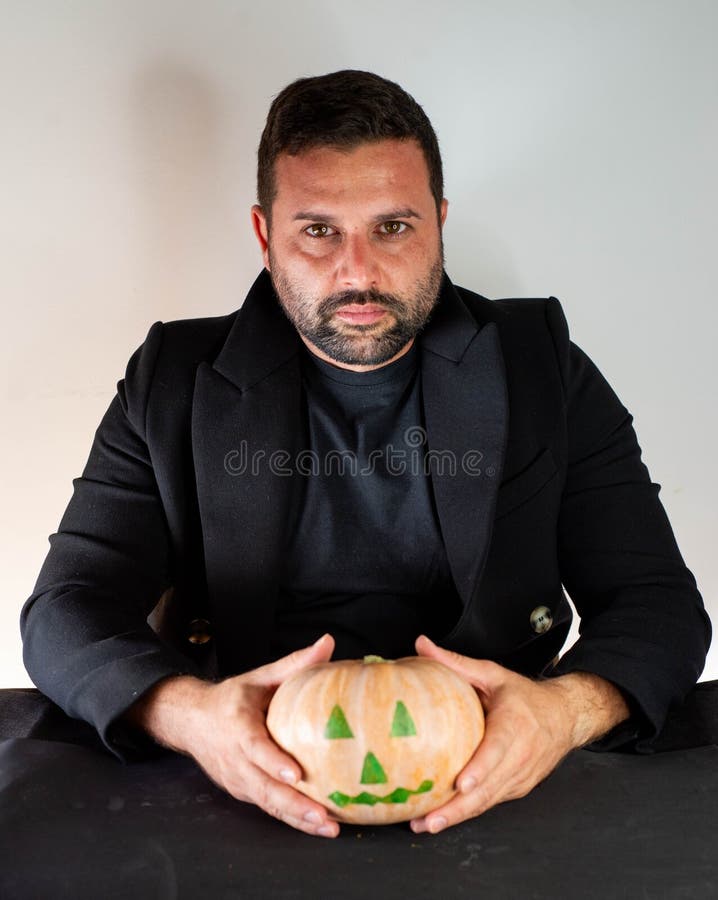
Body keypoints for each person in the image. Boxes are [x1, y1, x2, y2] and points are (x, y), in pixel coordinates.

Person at [21, 69, 710, 840]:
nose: (357, 272)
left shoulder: (539, 364)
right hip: (243, 785)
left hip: (498, 778)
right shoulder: (174, 378)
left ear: (440, 223)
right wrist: (190, 716)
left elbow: (658, 602)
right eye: (319, 230)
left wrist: (565, 710)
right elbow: (66, 608)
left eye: (393, 227)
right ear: (265, 234)